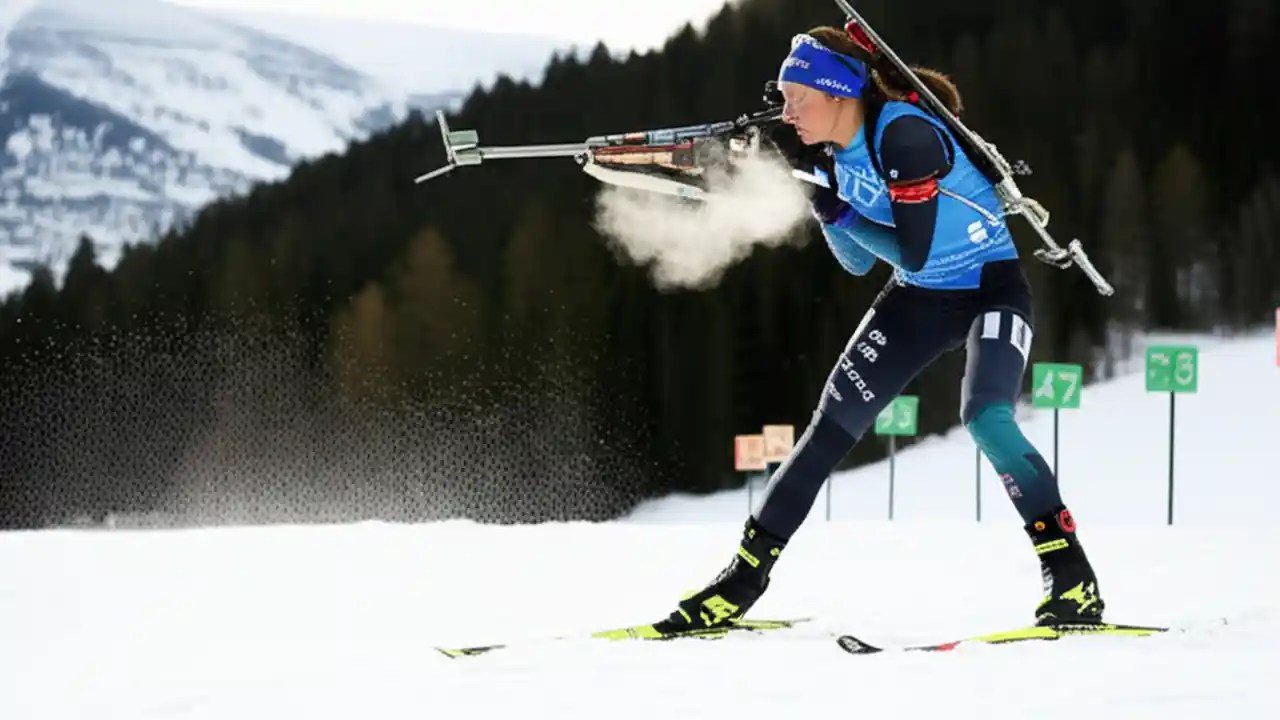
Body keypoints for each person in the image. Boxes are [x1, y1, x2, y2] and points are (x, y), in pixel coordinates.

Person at [655, 25, 1105, 633]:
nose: (786, 113)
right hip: (918, 301)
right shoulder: (836, 153)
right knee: (827, 430)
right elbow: (859, 261)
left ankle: (1072, 580)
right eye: (782, 98)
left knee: (986, 417)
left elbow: (913, 252)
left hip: (987, 288)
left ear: (838, 92)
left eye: (796, 97)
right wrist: (819, 194)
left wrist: (832, 203)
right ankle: (740, 582)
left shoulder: (905, 134)